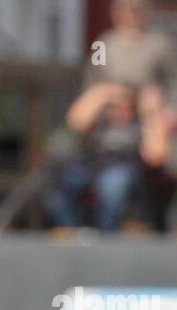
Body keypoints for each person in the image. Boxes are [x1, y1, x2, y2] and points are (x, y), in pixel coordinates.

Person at [47, 83, 147, 233]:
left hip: (124, 171)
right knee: (60, 184)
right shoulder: (99, 123)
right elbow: (75, 122)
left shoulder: (140, 125)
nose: (118, 110)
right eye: (113, 106)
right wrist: (101, 93)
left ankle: (107, 236)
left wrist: (151, 112)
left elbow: (155, 156)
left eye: (124, 105)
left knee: (113, 185)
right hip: (92, 169)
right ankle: (71, 233)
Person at [86, 0, 177, 103]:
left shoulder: (160, 44)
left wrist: (173, 105)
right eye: (123, 9)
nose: (129, 14)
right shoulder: (104, 43)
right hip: (111, 97)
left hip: (145, 98)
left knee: (152, 99)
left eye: (135, 10)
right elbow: (93, 78)